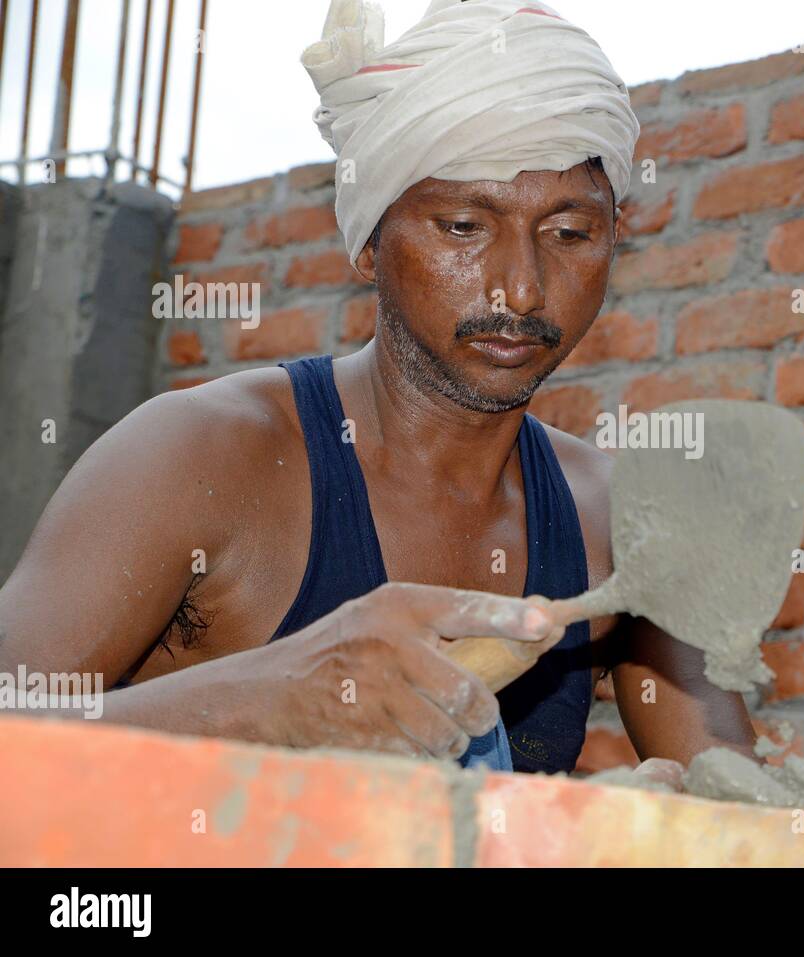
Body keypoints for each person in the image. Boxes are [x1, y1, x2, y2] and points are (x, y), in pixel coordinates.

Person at [0, 0, 755, 783]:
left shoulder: (620, 523)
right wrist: (263, 703)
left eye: (570, 234)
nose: (523, 289)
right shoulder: (199, 457)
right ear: (369, 245)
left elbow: (742, 798)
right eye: (463, 225)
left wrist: (630, 824)